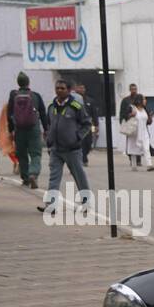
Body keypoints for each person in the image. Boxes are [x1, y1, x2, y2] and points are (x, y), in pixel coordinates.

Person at [37, 78, 92, 213]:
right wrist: (49, 141)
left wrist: (77, 137)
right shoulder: (52, 107)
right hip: (56, 149)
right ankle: (51, 205)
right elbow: (50, 125)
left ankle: (86, 203)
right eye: (57, 88)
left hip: (72, 149)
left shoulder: (76, 107)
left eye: (62, 88)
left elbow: (87, 124)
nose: (59, 90)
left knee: (79, 176)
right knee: (54, 177)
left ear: (68, 90)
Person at [7, 72, 48, 188]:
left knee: (22, 154)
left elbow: (9, 114)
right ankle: (33, 174)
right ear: (28, 82)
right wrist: (46, 129)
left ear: (18, 83)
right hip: (33, 128)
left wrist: (11, 130)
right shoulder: (36, 96)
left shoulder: (14, 96)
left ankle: (25, 178)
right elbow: (43, 114)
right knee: (35, 154)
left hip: (19, 129)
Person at [122, 93, 154, 171]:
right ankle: (134, 166)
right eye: (144, 99)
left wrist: (150, 117)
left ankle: (149, 165)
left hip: (144, 132)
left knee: (146, 148)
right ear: (139, 100)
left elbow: (148, 122)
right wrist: (131, 114)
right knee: (133, 148)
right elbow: (124, 117)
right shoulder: (132, 108)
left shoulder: (145, 109)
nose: (145, 101)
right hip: (134, 132)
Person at [74, 83, 98, 164]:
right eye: (80, 88)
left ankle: (85, 154)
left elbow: (94, 113)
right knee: (82, 142)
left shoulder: (90, 100)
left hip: (89, 124)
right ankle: (83, 159)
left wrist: (96, 125)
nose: (82, 90)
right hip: (78, 125)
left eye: (83, 88)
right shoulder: (74, 100)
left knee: (89, 142)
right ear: (76, 89)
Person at [0, 102, 19, 174]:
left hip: (8, 129)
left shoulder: (6, 106)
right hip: (20, 129)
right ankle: (18, 163)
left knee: (9, 148)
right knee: (18, 149)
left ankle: (16, 162)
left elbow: (2, 120)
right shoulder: (20, 104)